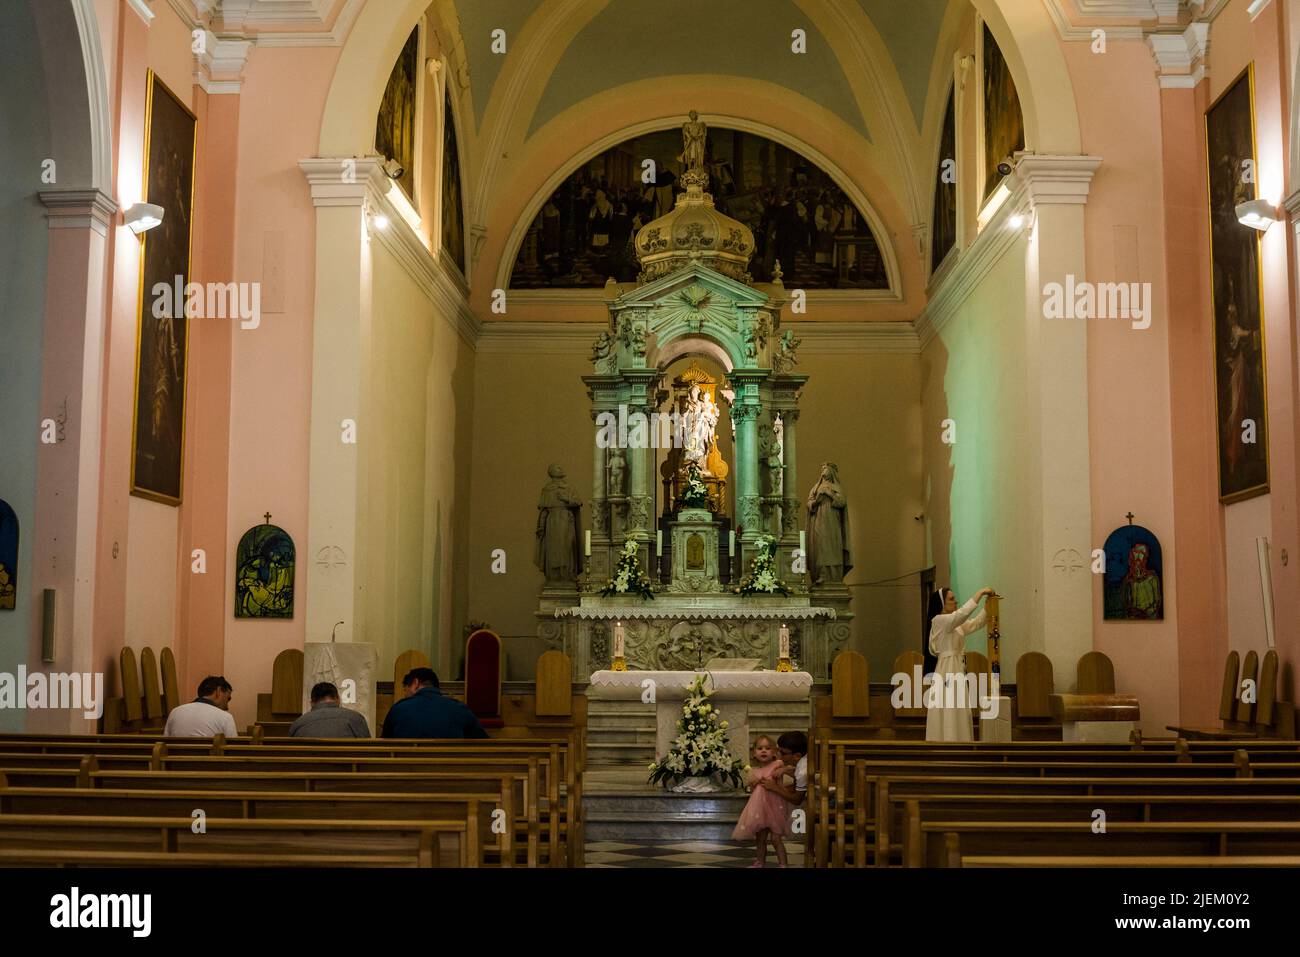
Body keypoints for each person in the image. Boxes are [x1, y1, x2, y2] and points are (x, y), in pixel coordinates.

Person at [925, 586, 996, 742]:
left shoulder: (954, 624)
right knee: (949, 707)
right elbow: (962, 613)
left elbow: (977, 623)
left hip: (956, 667)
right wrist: (980, 592)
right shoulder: (939, 621)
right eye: (951, 599)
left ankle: (960, 744)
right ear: (942, 604)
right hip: (946, 669)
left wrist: (988, 604)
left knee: (958, 707)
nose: (955, 601)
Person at [732, 735, 793, 867]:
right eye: (760, 748)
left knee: (776, 839)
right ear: (754, 753)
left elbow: (792, 769)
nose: (763, 751)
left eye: (767, 748)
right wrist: (753, 783)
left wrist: (783, 770)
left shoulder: (777, 764)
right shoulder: (754, 771)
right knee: (760, 838)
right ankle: (760, 862)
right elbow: (753, 789)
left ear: (774, 753)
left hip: (775, 807)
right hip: (760, 808)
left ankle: (783, 864)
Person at [381, 667, 488, 739]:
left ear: (415, 683)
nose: (405, 694)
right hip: (449, 770)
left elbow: (385, 744)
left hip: (405, 770)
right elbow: (483, 742)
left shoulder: (398, 709)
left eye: (406, 689)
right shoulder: (459, 709)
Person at [288, 682, 372, 738]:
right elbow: (369, 751)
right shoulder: (356, 719)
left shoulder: (298, 724)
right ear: (338, 699)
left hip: (310, 765)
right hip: (348, 765)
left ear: (312, 703)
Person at [164, 675, 238, 738]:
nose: (227, 707)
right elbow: (233, 751)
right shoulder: (225, 717)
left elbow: (165, 742)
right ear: (218, 691)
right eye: (228, 699)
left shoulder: (175, 712)